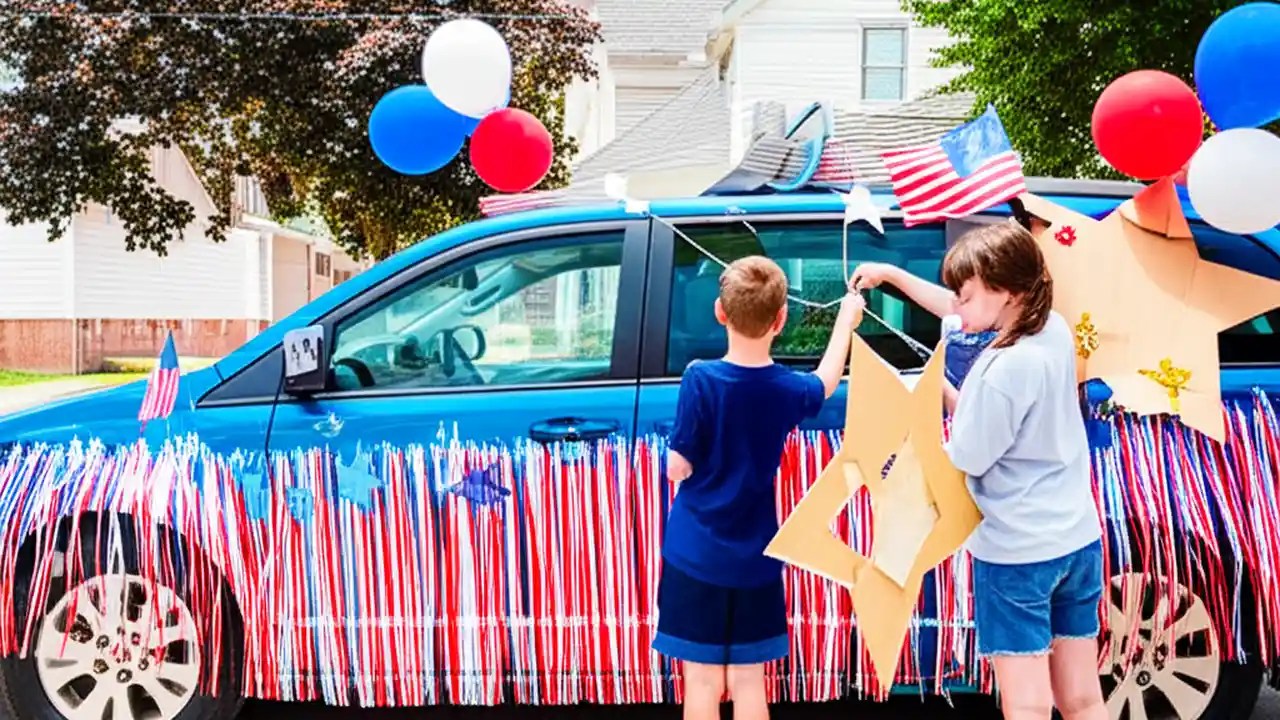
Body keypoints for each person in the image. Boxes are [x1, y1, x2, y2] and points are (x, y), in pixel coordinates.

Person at [851, 221, 1106, 720]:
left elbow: (964, 459)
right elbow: (998, 419)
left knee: (1027, 704)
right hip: (1077, 542)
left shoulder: (1001, 369)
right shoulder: (1054, 329)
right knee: (1082, 697)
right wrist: (946, 392)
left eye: (964, 297)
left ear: (1006, 292)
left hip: (1017, 556)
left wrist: (907, 427)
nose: (957, 308)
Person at [654, 255, 865, 720]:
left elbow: (676, 468)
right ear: (781, 319)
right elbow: (826, 382)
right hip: (756, 559)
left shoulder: (700, 379)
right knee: (750, 680)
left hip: (695, 557)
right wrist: (846, 321)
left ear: (719, 312)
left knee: (703, 681)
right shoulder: (785, 388)